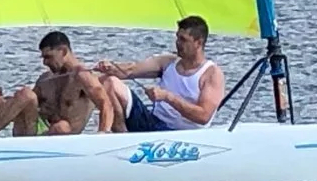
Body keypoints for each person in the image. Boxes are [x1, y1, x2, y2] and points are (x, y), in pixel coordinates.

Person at [96, 16, 225, 134]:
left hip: (185, 136)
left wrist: (167, 97)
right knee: (109, 82)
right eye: (177, 38)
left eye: (183, 40)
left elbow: (203, 116)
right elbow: (130, 70)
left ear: (199, 43)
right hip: (153, 125)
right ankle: (119, 134)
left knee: (109, 82)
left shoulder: (212, 74)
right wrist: (111, 67)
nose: (177, 43)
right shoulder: (167, 62)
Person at [0, 29, 112, 137]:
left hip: (64, 140)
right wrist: (0, 104)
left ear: (63, 51)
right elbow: (23, 111)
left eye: (48, 57)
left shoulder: (83, 76)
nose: (45, 62)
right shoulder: (45, 79)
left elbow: (106, 104)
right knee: (26, 94)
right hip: (35, 135)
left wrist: (102, 134)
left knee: (62, 127)